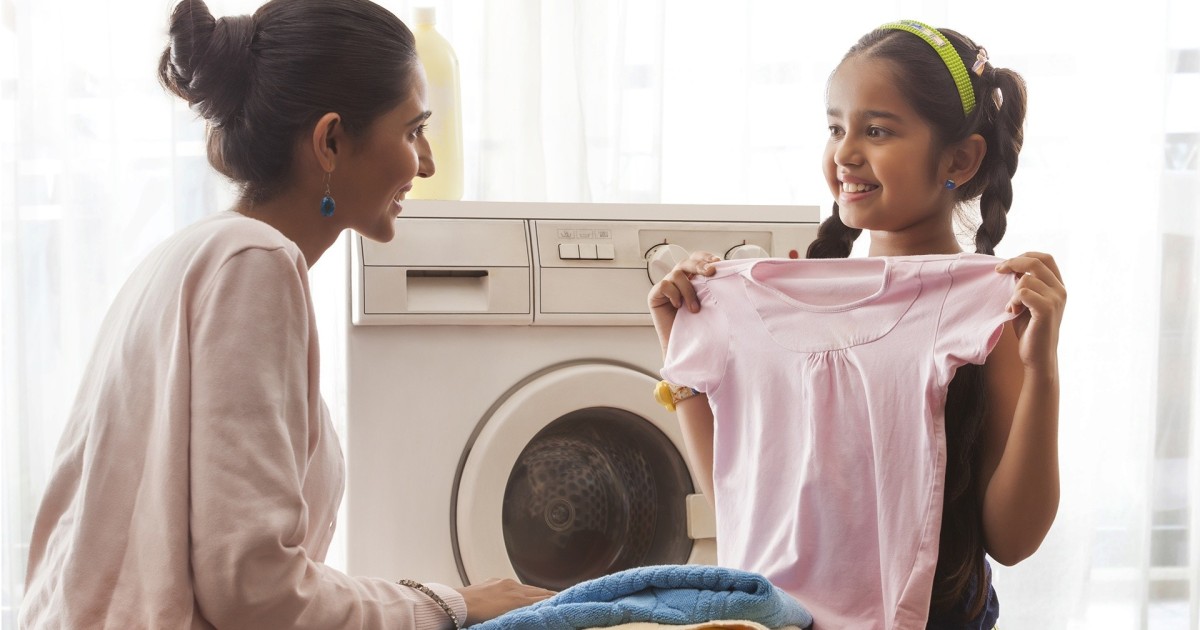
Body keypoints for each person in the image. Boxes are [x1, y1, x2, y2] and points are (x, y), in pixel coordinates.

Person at [18, 0, 553, 627]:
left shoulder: (194, 254)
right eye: (413, 132)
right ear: (330, 141)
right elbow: (254, 588)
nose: (427, 163)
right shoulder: (254, 262)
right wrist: (446, 605)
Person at [648, 21, 1066, 629]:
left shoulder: (990, 312)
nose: (845, 152)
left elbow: (1013, 540)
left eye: (877, 130)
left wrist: (1042, 371)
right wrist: (682, 344)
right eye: (835, 128)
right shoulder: (781, 301)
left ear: (960, 158)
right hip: (791, 618)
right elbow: (743, 504)